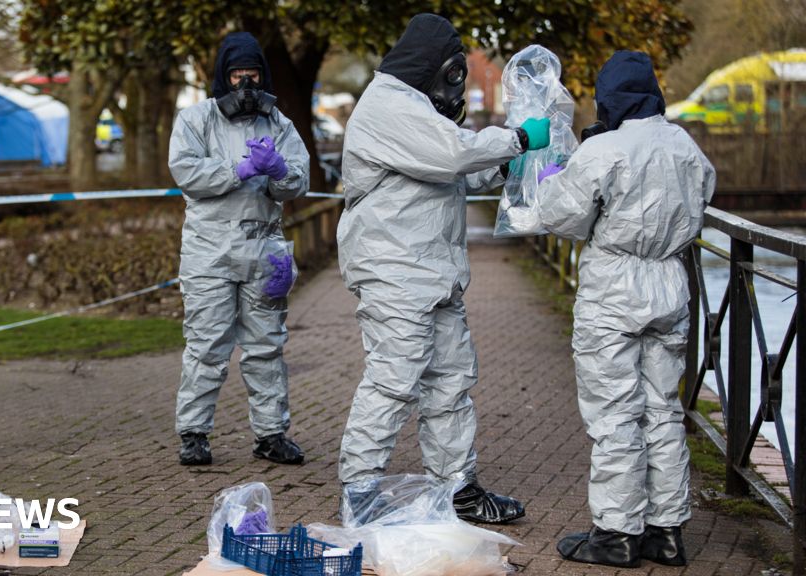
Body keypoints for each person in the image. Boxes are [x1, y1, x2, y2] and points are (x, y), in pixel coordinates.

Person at [335, 13, 550, 524]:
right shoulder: (388, 102)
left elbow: (449, 180)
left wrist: (503, 167)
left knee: (451, 382)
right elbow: (452, 156)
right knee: (393, 379)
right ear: (439, 67)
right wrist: (517, 139)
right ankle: (359, 492)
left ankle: (458, 488)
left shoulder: (414, 108)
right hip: (394, 270)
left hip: (433, 271)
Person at [537, 51, 715, 567]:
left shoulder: (604, 150)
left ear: (608, 98)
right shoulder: (686, 145)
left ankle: (616, 533)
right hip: (668, 283)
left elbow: (562, 218)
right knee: (662, 409)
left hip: (614, 288)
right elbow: (702, 199)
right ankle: (666, 531)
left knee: (615, 412)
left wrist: (553, 177)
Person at [168, 32, 310, 466]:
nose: (245, 85)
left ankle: (270, 434)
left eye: (252, 75)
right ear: (222, 76)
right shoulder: (197, 119)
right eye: (236, 75)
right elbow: (186, 172)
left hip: (264, 247)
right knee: (207, 346)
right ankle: (193, 433)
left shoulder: (279, 123)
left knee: (267, 346)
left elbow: (299, 182)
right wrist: (240, 169)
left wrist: (279, 170)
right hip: (210, 251)